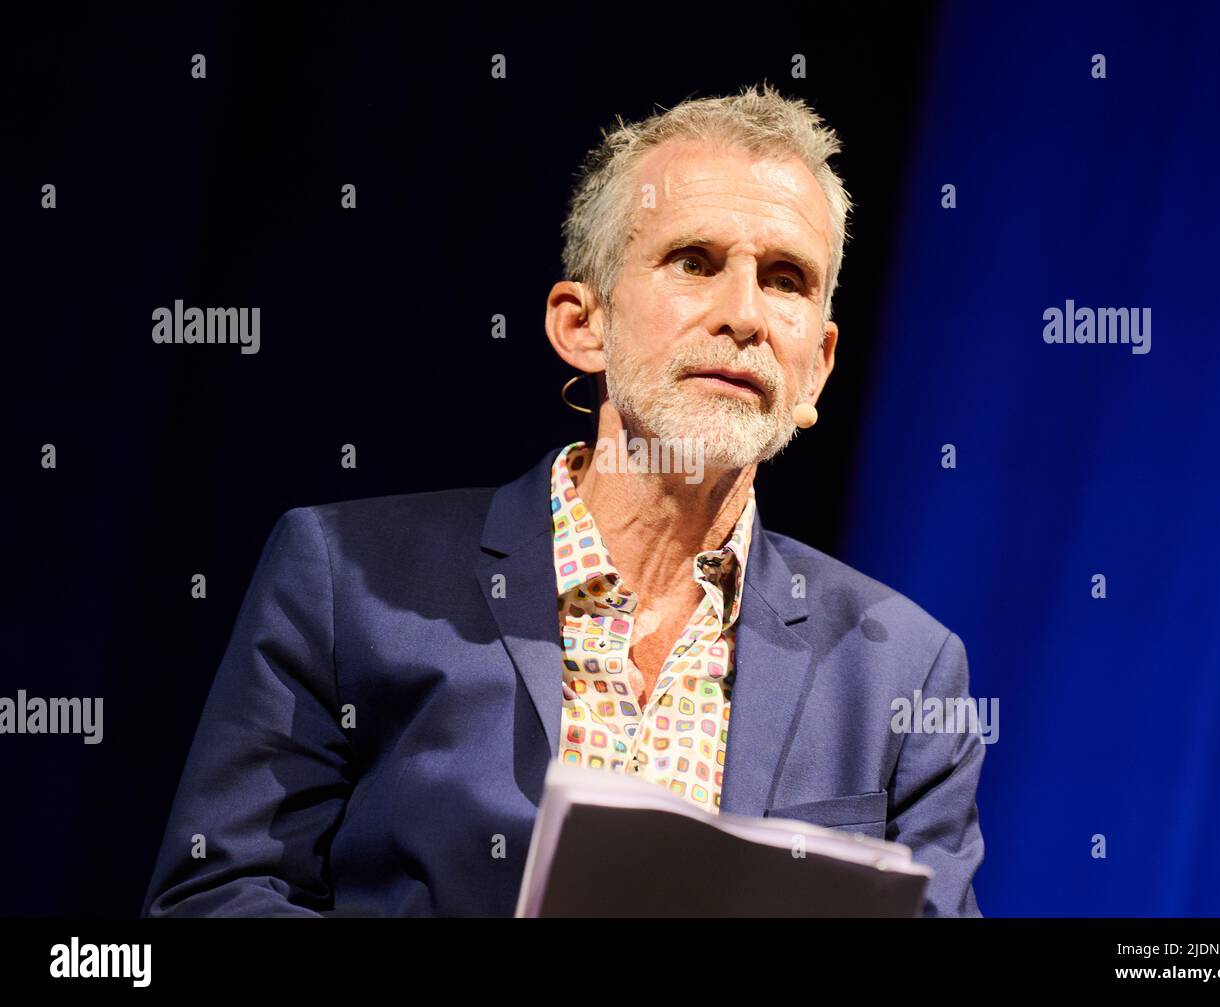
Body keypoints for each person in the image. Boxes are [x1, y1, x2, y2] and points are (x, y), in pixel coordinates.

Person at [142, 82, 985, 918]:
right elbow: (213, 898)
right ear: (584, 324)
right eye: (695, 262)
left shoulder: (902, 669)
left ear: (819, 369)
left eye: (786, 279)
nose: (743, 315)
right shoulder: (350, 579)